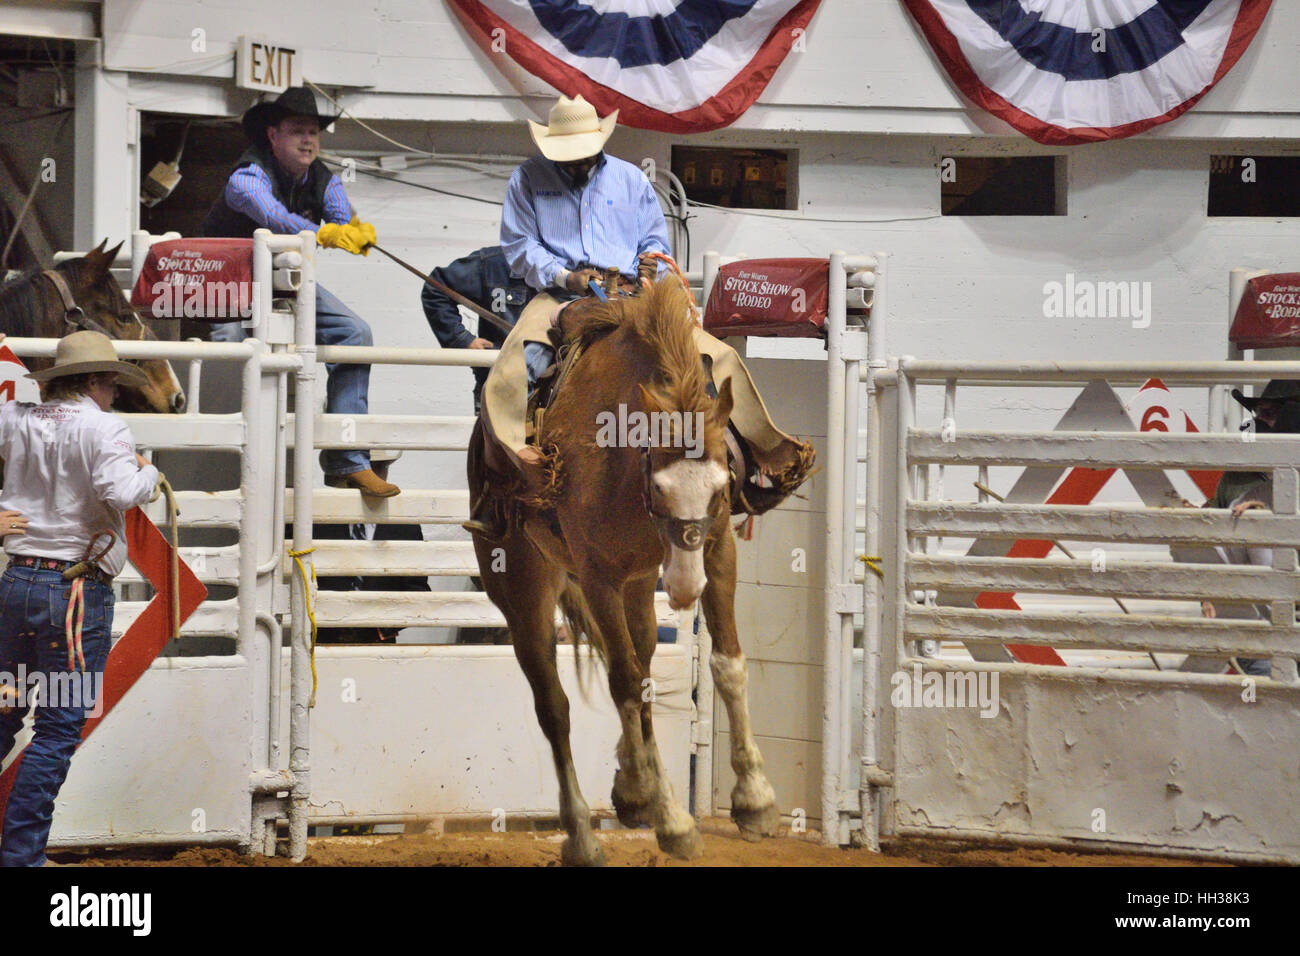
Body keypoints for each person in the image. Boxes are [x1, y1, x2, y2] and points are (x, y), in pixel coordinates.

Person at [467, 94, 812, 537]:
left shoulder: (630, 180)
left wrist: (649, 265)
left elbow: (654, 240)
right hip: (559, 298)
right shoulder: (528, 178)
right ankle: (506, 483)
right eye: (565, 158)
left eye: (581, 156)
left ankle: (768, 457)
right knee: (513, 369)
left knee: (713, 355)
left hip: (633, 295)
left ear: (597, 143)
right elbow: (518, 246)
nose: (574, 165)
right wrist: (566, 276)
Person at [0, 331, 160, 866]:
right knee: (59, 725)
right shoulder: (103, 426)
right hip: (72, 594)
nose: (114, 391)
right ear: (94, 380)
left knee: (4, 711)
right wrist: (150, 474)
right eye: (111, 381)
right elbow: (120, 493)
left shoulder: (16, 418)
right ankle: (21, 857)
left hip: (17, 583)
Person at [200, 86, 398, 498]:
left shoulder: (323, 179)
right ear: (272, 135)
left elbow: (343, 216)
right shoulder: (247, 177)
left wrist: (353, 229)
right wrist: (324, 232)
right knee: (238, 351)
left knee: (355, 335)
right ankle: (236, 458)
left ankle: (347, 458)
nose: (308, 140)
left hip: (279, 278)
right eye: (296, 131)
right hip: (229, 279)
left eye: (313, 132)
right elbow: (271, 215)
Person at [1200, 381, 1300, 680]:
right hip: (1256, 616)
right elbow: (1210, 535)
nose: (1262, 419)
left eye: (1272, 412)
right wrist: (1206, 593)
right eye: (1260, 412)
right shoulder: (1237, 478)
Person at [312, 450, 431, 643]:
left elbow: (417, 591)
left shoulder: (404, 527)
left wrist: (381, 625)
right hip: (322, 637)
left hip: (378, 640)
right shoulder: (315, 522)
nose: (372, 475)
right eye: (364, 468)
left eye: (379, 467)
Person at [420, 245, 533, 413]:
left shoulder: (575, 271)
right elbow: (436, 289)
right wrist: (463, 340)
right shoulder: (493, 264)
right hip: (498, 387)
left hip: (561, 391)